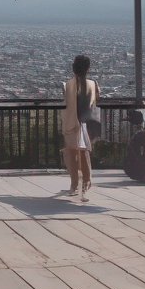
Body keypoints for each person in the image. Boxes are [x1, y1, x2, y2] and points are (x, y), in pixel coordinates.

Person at [62, 55, 98, 202]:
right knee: (84, 155)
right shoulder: (92, 84)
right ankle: (85, 186)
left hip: (71, 123)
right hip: (86, 123)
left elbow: (65, 104)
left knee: (72, 154)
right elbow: (95, 101)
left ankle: (73, 185)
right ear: (87, 68)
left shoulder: (68, 84)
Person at [122, 110, 145, 182]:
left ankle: (139, 170)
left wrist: (142, 162)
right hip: (141, 165)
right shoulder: (144, 133)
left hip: (139, 166)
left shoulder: (140, 135)